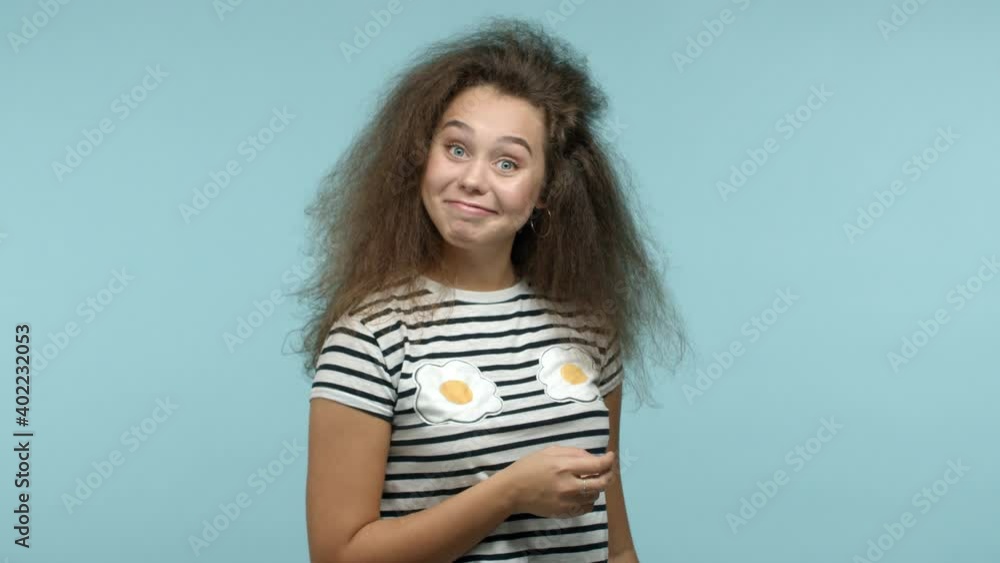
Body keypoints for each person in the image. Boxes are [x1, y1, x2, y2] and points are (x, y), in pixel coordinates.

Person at [298, 16, 685, 563]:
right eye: (457, 149)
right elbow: (338, 556)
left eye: (507, 162)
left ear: (547, 189)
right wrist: (508, 493)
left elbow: (613, 539)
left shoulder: (588, 325)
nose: (473, 178)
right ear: (421, 160)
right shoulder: (369, 338)